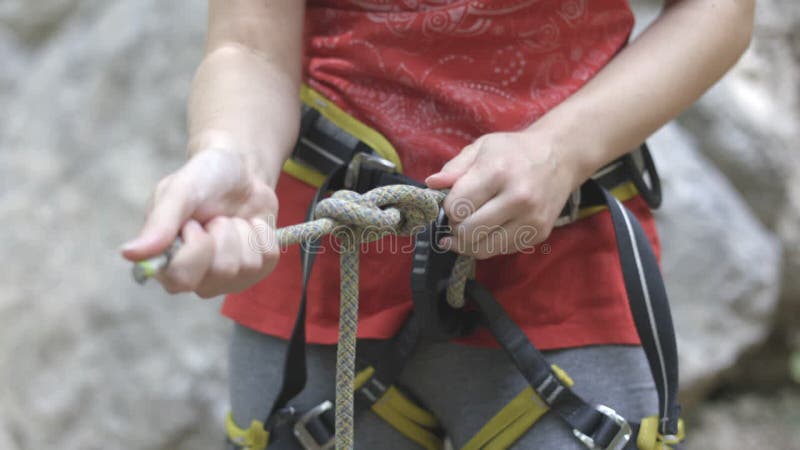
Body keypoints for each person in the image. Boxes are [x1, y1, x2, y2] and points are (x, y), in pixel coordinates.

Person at [121, 1, 755, 448]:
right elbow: (250, 44)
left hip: (564, 263)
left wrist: (563, 150)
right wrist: (232, 158)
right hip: (324, 271)